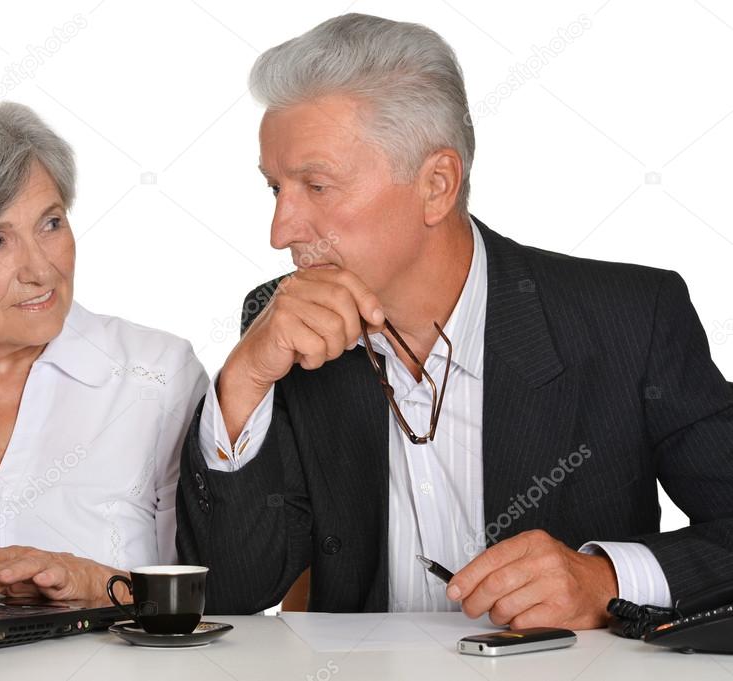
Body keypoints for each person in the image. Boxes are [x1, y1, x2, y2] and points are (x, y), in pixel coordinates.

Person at [176, 14, 733, 629]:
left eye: (316, 185)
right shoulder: (281, 320)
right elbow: (228, 592)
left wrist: (606, 580)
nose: (281, 231)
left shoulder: (630, 316)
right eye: (275, 188)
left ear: (437, 184)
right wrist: (244, 379)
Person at [0, 101, 208, 606]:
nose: (40, 269)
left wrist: (99, 584)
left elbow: (215, 595)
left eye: (50, 223)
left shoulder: (157, 375)